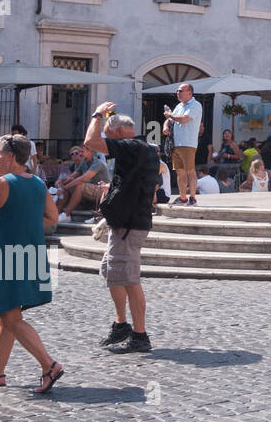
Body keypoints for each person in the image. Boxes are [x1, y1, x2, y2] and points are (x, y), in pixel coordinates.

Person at [0, 134, 63, 393]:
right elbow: (52, 217)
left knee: (11, 317)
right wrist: (25, 224)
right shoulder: (37, 183)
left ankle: (49, 365)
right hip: (32, 252)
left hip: (8, 256)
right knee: (7, 313)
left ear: (11, 156)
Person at [85, 105, 160, 354]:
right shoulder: (141, 150)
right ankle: (121, 325)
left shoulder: (132, 146)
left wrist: (97, 115)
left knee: (129, 278)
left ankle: (140, 336)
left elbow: (91, 141)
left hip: (130, 225)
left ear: (117, 133)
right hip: (125, 222)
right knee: (111, 270)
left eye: (108, 133)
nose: (106, 139)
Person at [163, 82, 203, 206]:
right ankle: (182, 198)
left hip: (188, 143)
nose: (178, 93)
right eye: (177, 91)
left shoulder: (195, 105)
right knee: (179, 171)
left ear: (189, 93)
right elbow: (170, 120)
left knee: (190, 170)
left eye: (180, 91)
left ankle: (192, 198)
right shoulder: (179, 106)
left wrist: (170, 114)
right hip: (177, 143)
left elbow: (184, 119)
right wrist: (165, 126)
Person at [58, 144, 111, 223]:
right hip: (90, 190)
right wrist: (61, 182)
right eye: (79, 152)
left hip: (102, 190)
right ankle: (56, 214)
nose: (80, 154)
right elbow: (72, 177)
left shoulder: (97, 163)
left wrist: (65, 187)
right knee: (65, 189)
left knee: (79, 186)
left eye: (82, 151)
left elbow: (83, 179)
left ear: (90, 152)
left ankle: (66, 214)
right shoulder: (83, 163)